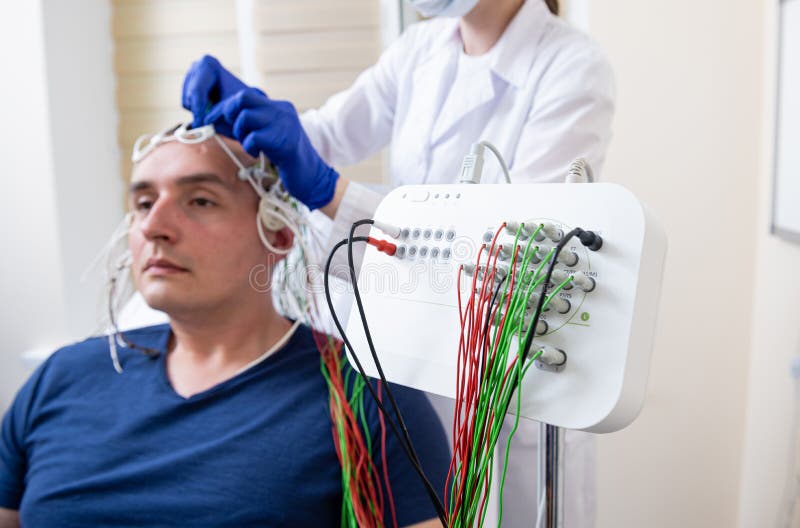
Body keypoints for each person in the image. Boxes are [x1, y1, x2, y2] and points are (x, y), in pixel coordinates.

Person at [181, 0, 614, 525]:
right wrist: (246, 117)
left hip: (501, 391)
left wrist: (330, 192)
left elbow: (506, 259)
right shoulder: (420, 49)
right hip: (411, 367)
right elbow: (323, 137)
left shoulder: (570, 68)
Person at [0, 125, 450, 527]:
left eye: (199, 200)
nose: (155, 225)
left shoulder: (367, 400)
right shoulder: (63, 378)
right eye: (143, 203)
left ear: (277, 235)